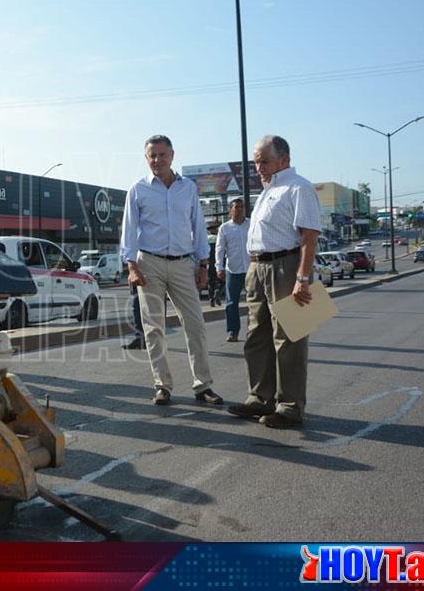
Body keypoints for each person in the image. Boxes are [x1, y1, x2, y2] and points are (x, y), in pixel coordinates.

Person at [120, 135, 222, 406]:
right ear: (146, 158)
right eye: (152, 155)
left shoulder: (188, 188)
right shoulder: (138, 190)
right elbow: (129, 230)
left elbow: (198, 226)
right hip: (149, 264)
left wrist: (203, 263)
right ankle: (162, 385)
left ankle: (203, 385)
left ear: (172, 155)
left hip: (183, 264)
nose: (157, 160)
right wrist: (131, 266)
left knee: (195, 325)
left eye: (162, 154)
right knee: (154, 327)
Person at [228, 135, 322, 429]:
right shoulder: (267, 191)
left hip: (287, 266)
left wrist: (302, 278)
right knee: (257, 337)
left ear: (285, 159)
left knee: (291, 338)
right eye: (256, 162)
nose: (259, 168)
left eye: (264, 161)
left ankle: (290, 408)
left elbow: (309, 236)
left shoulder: (299, 188)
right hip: (257, 268)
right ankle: (260, 398)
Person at [216, 198, 250, 342]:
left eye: (242, 207)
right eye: (237, 207)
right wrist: (219, 267)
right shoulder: (225, 228)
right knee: (231, 303)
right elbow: (219, 249)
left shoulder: (252, 224)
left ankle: (254, 332)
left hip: (251, 269)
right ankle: (233, 332)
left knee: (255, 302)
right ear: (230, 210)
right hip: (233, 270)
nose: (240, 209)